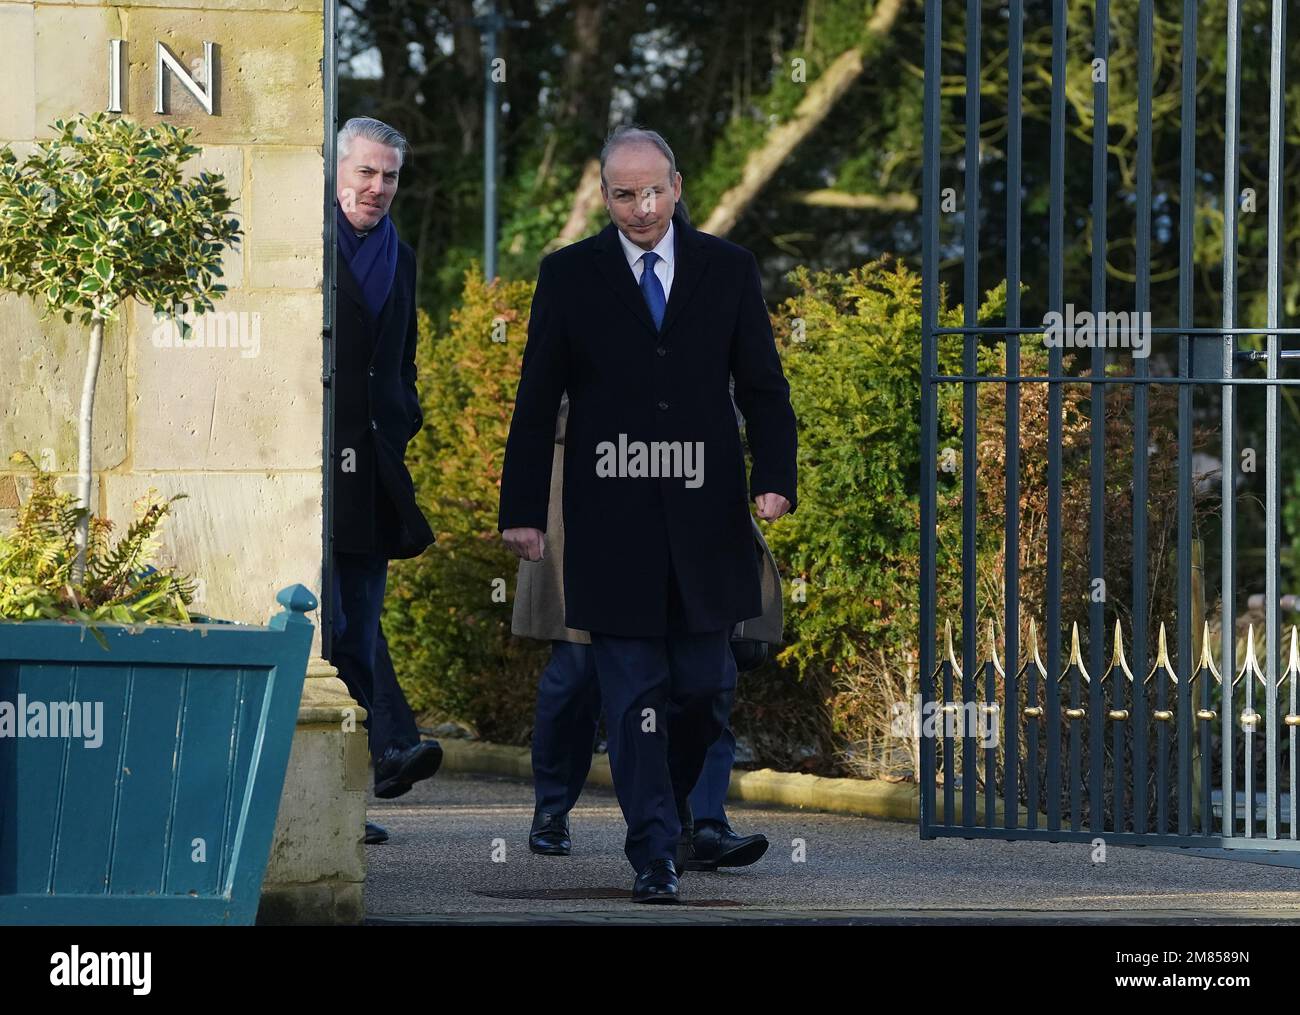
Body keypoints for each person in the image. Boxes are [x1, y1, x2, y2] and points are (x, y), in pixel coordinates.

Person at [498, 126, 797, 903]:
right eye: (625, 194)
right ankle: (653, 852)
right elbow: (536, 402)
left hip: (706, 522)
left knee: (702, 685)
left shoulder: (727, 270)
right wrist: (524, 511)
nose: (642, 207)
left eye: (654, 190)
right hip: (610, 524)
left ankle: (667, 803)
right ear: (605, 194)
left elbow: (763, 385)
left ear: (677, 182)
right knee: (632, 697)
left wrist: (775, 477)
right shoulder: (569, 275)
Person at [517, 392, 779, 874]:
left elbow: (744, 386)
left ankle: (702, 820)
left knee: (703, 670)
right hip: (588, 489)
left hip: (688, 485)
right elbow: (543, 396)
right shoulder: (583, 312)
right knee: (577, 673)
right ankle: (553, 806)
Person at [330, 116, 443, 845]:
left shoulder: (401, 256)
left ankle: (346, 801)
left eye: (390, 176)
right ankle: (392, 744)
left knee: (360, 626)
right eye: (366, 172)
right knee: (335, 627)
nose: (378, 188)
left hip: (375, 471)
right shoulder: (302, 243)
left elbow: (397, 360)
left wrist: (403, 419)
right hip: (315, 465)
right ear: (336, 171)